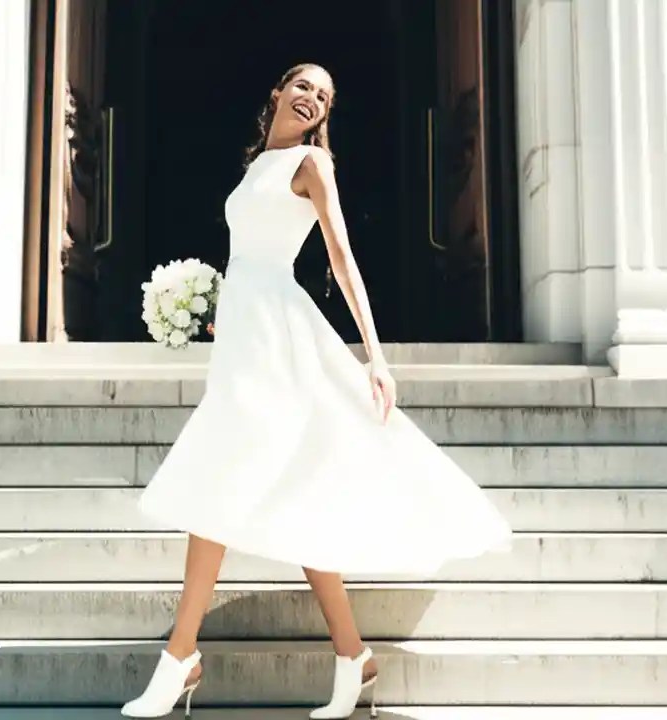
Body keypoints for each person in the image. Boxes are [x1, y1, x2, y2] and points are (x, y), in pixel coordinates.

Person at [121, 63, 512, 719]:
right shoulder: (257, 167)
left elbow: (340, 254)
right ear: (277, 91)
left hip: (280, 333)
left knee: (221, 476)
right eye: (305, 86)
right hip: (245, 326)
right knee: (286, 485)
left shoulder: (310, 164)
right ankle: (351, 653)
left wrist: (375, 357)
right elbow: (248, 254)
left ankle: (179, 656)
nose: (313, 99)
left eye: (325, 97)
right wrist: (212, 309)